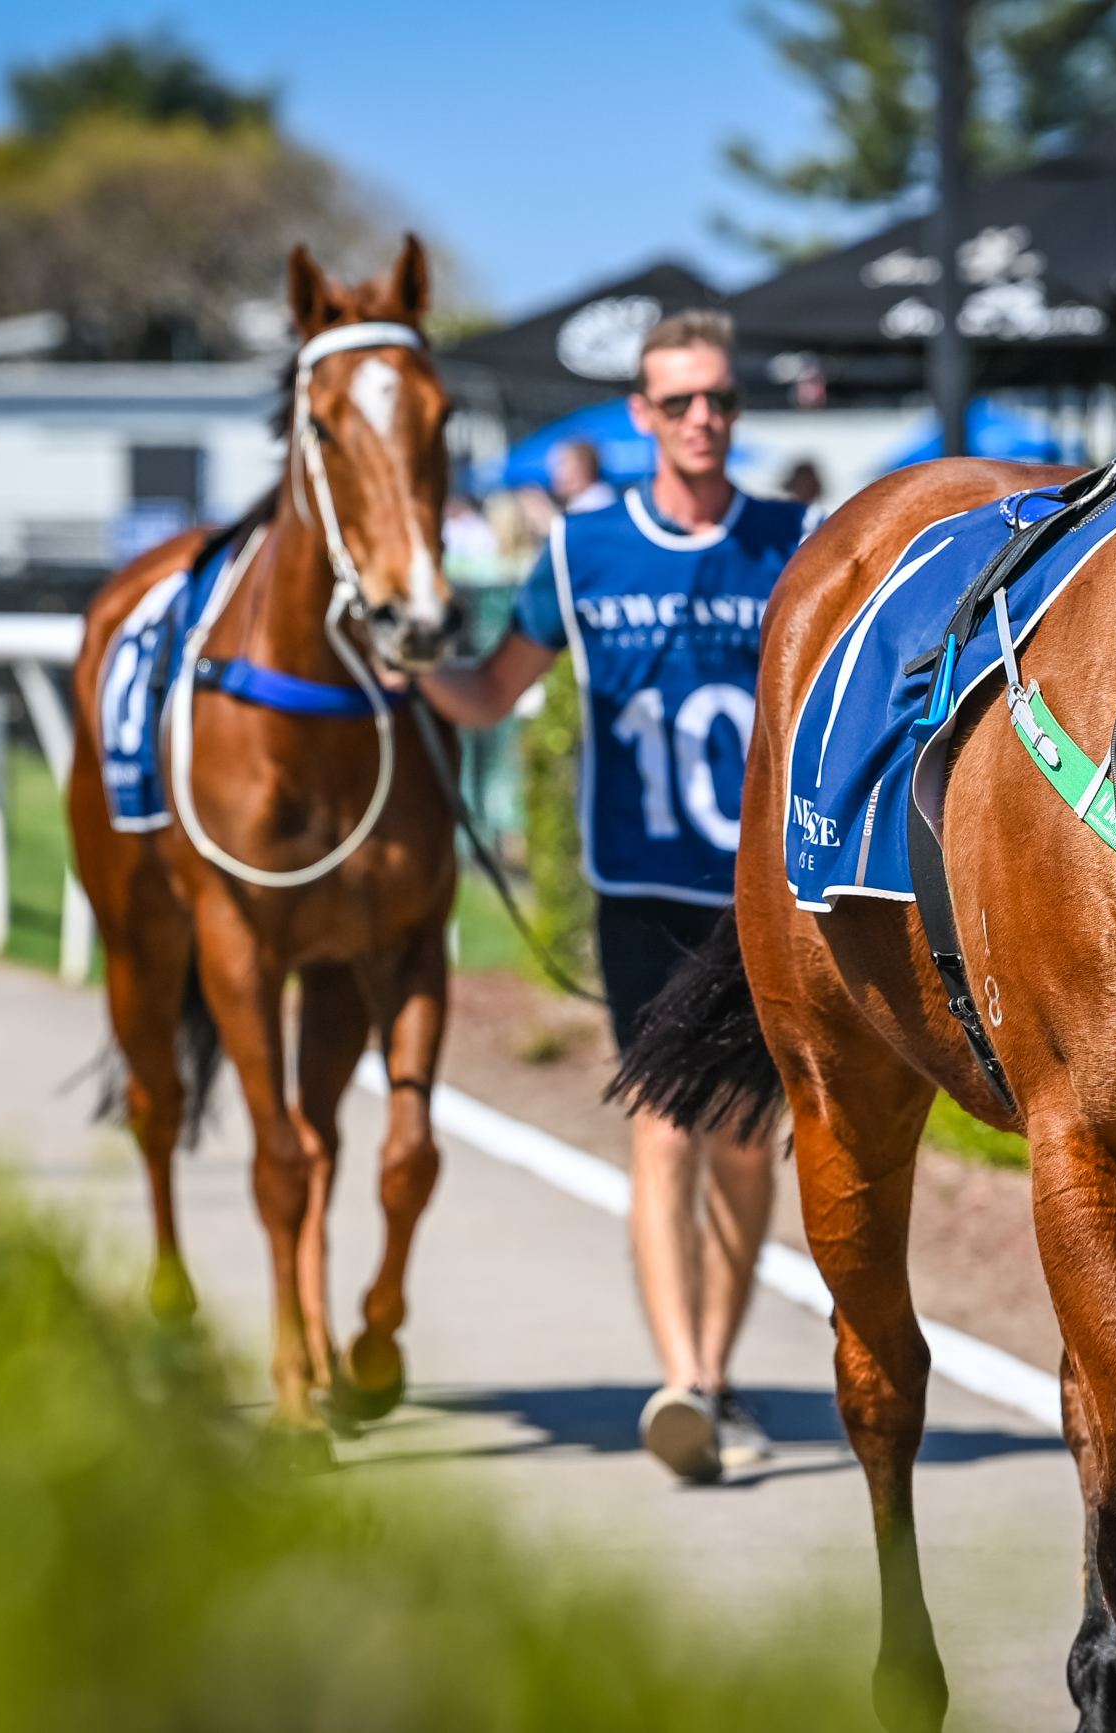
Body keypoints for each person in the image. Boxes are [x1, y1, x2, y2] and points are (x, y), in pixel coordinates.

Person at [421, 310, 809, 1484]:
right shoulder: (583, 549)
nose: (702, 418)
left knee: (743, 1142)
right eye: (678, 400)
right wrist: (409, 663)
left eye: (718, 398)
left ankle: (716, 1371)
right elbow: (493, 690)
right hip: (636, 887)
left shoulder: (791, 540)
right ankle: (682, 1381)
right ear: (641, 415)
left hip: (757, 899)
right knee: (662, 1126)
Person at [548, 438, 616, 515]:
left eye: (562, 463)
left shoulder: (597, 499)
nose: (555, 472)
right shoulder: (578, 501)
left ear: (584, 467)